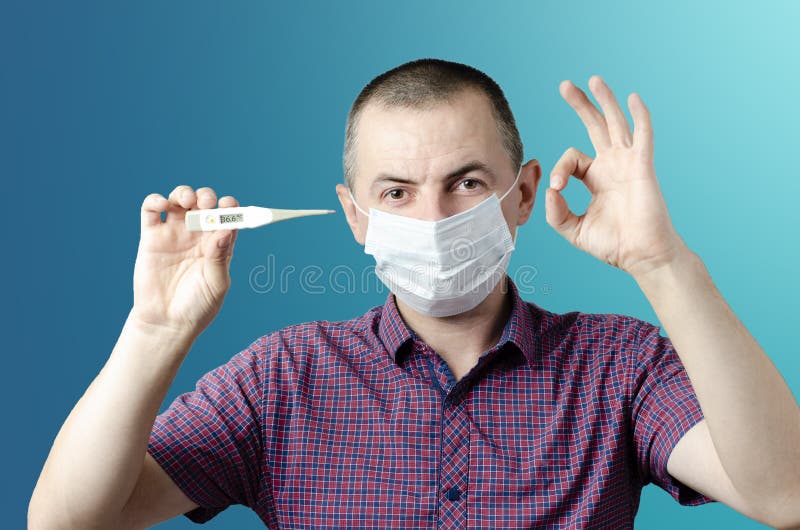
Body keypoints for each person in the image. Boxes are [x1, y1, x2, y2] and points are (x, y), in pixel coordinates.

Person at [28, 59, 800, 529]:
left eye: (467, 183)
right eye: (396, 193)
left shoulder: (617, 365)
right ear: (353, 216)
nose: (432, 218)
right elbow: (67, 522)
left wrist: (663, 262)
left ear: (524, 193)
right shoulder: (280, 379)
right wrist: (155, 329)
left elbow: (786, 495)